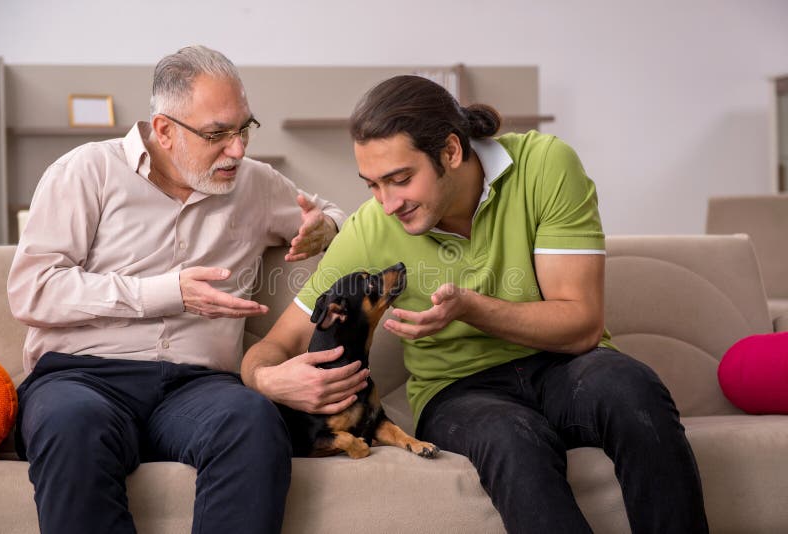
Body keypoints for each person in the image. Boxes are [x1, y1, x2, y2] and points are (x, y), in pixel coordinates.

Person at [241, 75, 709, 533]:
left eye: (400, 179)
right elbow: (276, 344)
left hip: (567, 366)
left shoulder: (544, 167)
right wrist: (268, 378)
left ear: (450, 150)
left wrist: (471, 307)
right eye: (372, 185)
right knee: (510, 438)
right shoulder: (371, 229)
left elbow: (582, 325)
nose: (387, 204)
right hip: (459, 392)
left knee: (631, 387)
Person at [7, 45, 346, 534]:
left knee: (252, 421)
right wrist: (165, 293)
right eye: (217, 134)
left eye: (244, 128)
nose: (238, 149)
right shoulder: (88, 171)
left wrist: (327, 230)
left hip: (198, 388)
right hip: (81, 380)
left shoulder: (253, 184)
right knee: (70, 425)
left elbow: (336, 217)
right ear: (164, 129)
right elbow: (32, 290)